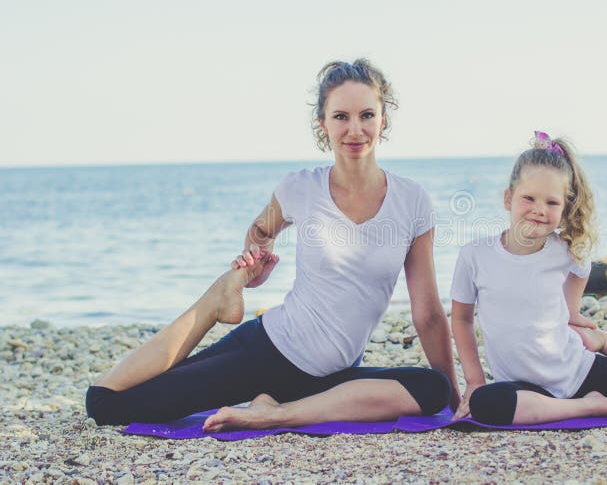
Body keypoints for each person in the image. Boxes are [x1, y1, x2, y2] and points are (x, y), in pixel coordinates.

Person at [86, 59, 459, 431]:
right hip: (267, 353)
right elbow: (261, 230)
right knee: (107, 405)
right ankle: (214, 302)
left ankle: (276, 410)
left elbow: (427, 313)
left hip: (329, 381)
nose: (355, 129)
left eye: (366, 115)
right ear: (323, 124)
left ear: (383, 119)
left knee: (433, 389)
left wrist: (456, 401)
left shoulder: (411, 200)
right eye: (341, 116)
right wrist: (252, 264)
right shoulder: (301, 188)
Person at [450, 131, 607, 426]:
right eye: (528, 198)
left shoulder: (564, 251)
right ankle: (590, 407)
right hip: (525, 389)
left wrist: (576, 316)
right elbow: (462, 319)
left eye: (552, 203)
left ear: (564, 208)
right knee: (485, 403)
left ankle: (601, 343)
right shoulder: (475, 255)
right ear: (507, 198)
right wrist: (474, 380)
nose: (539, 210)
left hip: (579, 371)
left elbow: (582, 269)